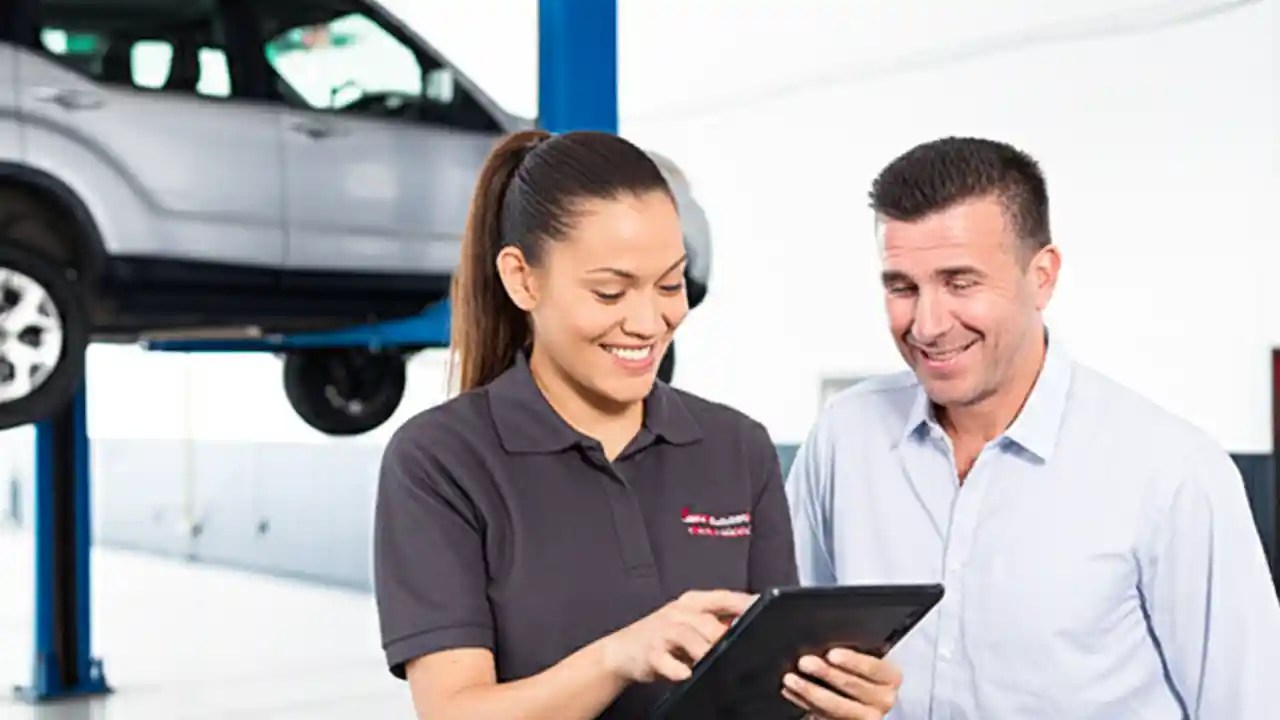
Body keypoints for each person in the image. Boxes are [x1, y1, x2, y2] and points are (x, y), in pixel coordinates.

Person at [372, 129, 903, 720]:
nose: (649, 322)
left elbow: (766, 695)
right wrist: (617, 657)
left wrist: (829, 705)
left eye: (670, 284)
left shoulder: (737, 448)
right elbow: (453, 712)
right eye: (610, 292)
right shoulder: (441, 459)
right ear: (523, 279)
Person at [784, 136, 1280, 718]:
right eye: (902, 287)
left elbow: (1250, 705)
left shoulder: (1171, 472)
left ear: (1042, 276)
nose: (928, 324)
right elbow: (784, 667)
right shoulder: (844, 439)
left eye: (960, 282)